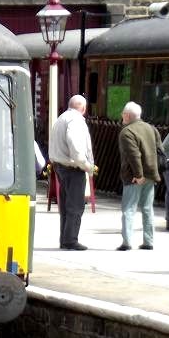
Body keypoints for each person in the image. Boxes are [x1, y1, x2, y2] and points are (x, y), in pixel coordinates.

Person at [49, 94, 95, 250]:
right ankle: (70, 240)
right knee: (75, 206)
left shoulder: (61, 118)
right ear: (83, 108)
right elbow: (76, 146)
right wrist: (86, 165)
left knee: (66, 205)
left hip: (60, 166)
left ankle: (65, 238)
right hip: (73, 168)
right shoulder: (75, 121)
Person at [116, 102, 162, 250]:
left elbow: (133, 155)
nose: (122, 116)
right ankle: (149, 241)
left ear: (127, 115)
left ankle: (127, 242)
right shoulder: (151, 128)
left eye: (123, 114)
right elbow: (160, 150)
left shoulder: (127, 132)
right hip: (151, 174)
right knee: (147, 209)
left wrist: (138, 174)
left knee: (129, 209)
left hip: (134, 176)